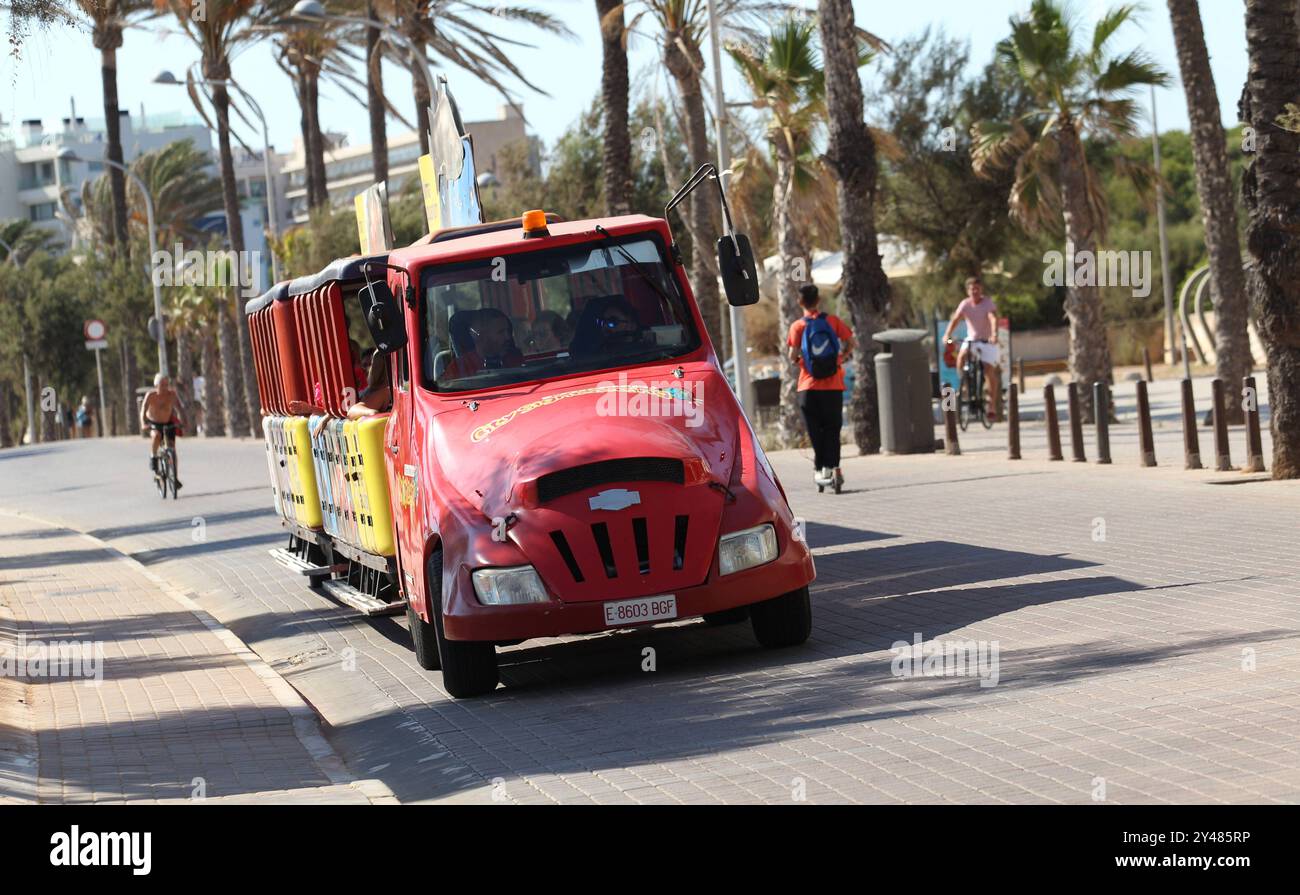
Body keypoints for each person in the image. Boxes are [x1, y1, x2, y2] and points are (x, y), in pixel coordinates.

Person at [786, 284, 854, 490]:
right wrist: (840, 359)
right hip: (833, 386)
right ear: (819, 300)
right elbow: (851, 342)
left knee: (815, 430)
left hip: (809, 386)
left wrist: (800, 362)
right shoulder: (832, 321)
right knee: (833, 429)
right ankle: (834, 467)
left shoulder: (798, 326)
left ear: (800, 302)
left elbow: (792, 355)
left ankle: (819, 468)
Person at [942, 275, 1001, 422]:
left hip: (987, 340)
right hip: (972, 340)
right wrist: (947, 335)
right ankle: (965, 385)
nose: (974, 291)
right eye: (972, 289)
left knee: (988, 370)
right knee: (961, 357)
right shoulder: (965, 304)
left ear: (981, 290)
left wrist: (994, 335)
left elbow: (993, 318)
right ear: (968, 290)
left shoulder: (987, 303)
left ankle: (992, 406)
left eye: (977, 288)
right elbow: (956, 319)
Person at [444, 308, 524, 378]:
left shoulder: (514, 357)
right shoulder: (459, 368)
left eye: (508, 331)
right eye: (501, 332)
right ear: (482, 336)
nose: (508, 337)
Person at [140, 373, 185, 491]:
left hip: (167, 422)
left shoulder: (172, 395)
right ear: (156, 385)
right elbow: (143, 410)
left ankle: (174, 476)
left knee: (172, 448)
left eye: (166, 384)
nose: (165, 387)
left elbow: (179, 408)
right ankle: (153, 456)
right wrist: (143, 423)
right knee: (157, 436)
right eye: (162, 385)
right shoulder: (150, 395)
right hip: (153, 423)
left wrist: (182, 420)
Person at [570, 295, 641, 356]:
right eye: (602, 322)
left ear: (631, 324)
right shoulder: (596, 357)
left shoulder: (646, 352)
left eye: (612, 321)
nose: (605, 326)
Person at [347, 350, 393, 419]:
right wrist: (372, 413)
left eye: (371, 364)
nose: (368, 369)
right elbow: (352, 411)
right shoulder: (387, 392)